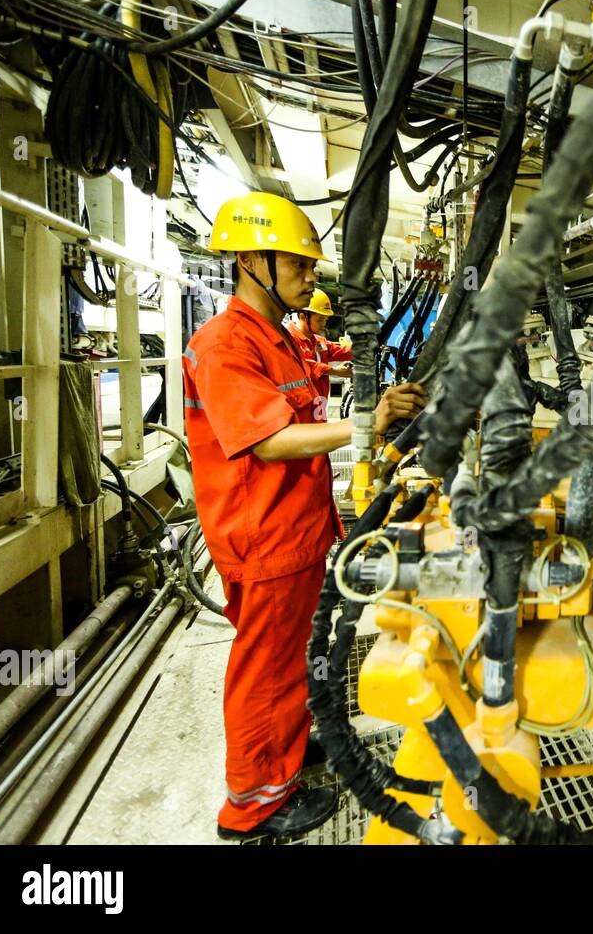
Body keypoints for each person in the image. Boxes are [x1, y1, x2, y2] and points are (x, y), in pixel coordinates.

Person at [183, 192, 427, 841]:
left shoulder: (281, 341)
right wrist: (367, 426)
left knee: (295, 655)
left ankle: (285, 756)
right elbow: (265, 439)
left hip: (298, 527)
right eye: (301, 265)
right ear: (253, 261)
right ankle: (253, 805)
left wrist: (379, 407)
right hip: (261, 535)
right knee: (265, 666)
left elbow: (310, 418)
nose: (311, 277)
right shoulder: (225, 342)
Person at [286, 289, 352, 421]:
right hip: (299, 410)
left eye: (326, 320)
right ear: (303, 317)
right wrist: (335, 371)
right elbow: (301, 364)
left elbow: (343, 351)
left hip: (319, 405)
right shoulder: (288, 339)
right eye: (320, 319)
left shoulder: (318, 342)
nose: (324, 324)